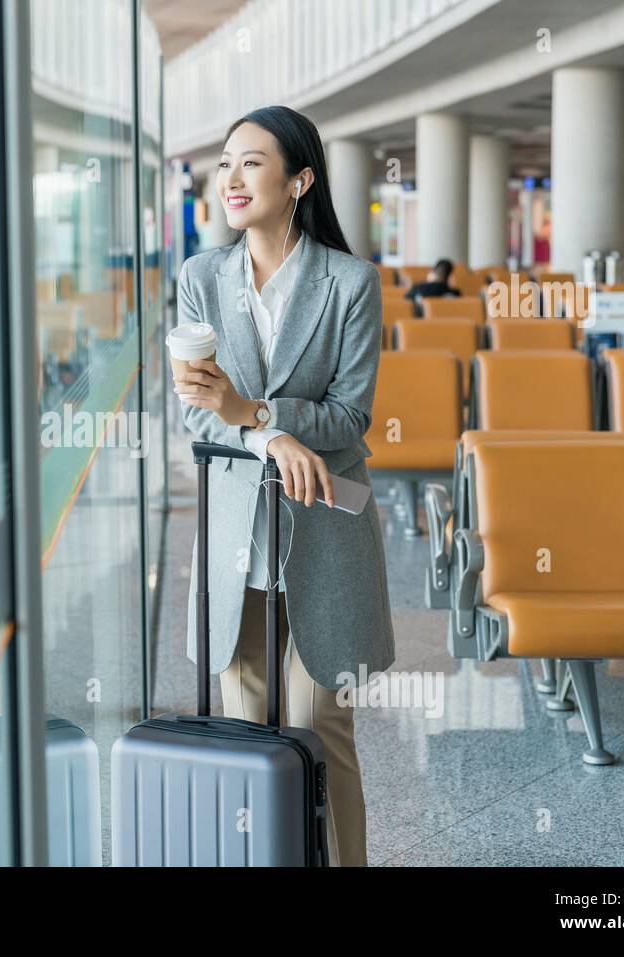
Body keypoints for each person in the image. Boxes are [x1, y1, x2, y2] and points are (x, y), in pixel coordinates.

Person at [172, 105, 395, 867]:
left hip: (325, 534)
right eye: (225, 162)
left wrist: (253, 409)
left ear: (299, 180)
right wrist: (265, 432)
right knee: (250, 733)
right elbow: (195, 414)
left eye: (252, 162)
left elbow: (350, 414)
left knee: (319, 728)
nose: (231, 178)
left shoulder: (350, 283)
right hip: (238, 538)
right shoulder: (201, 277)